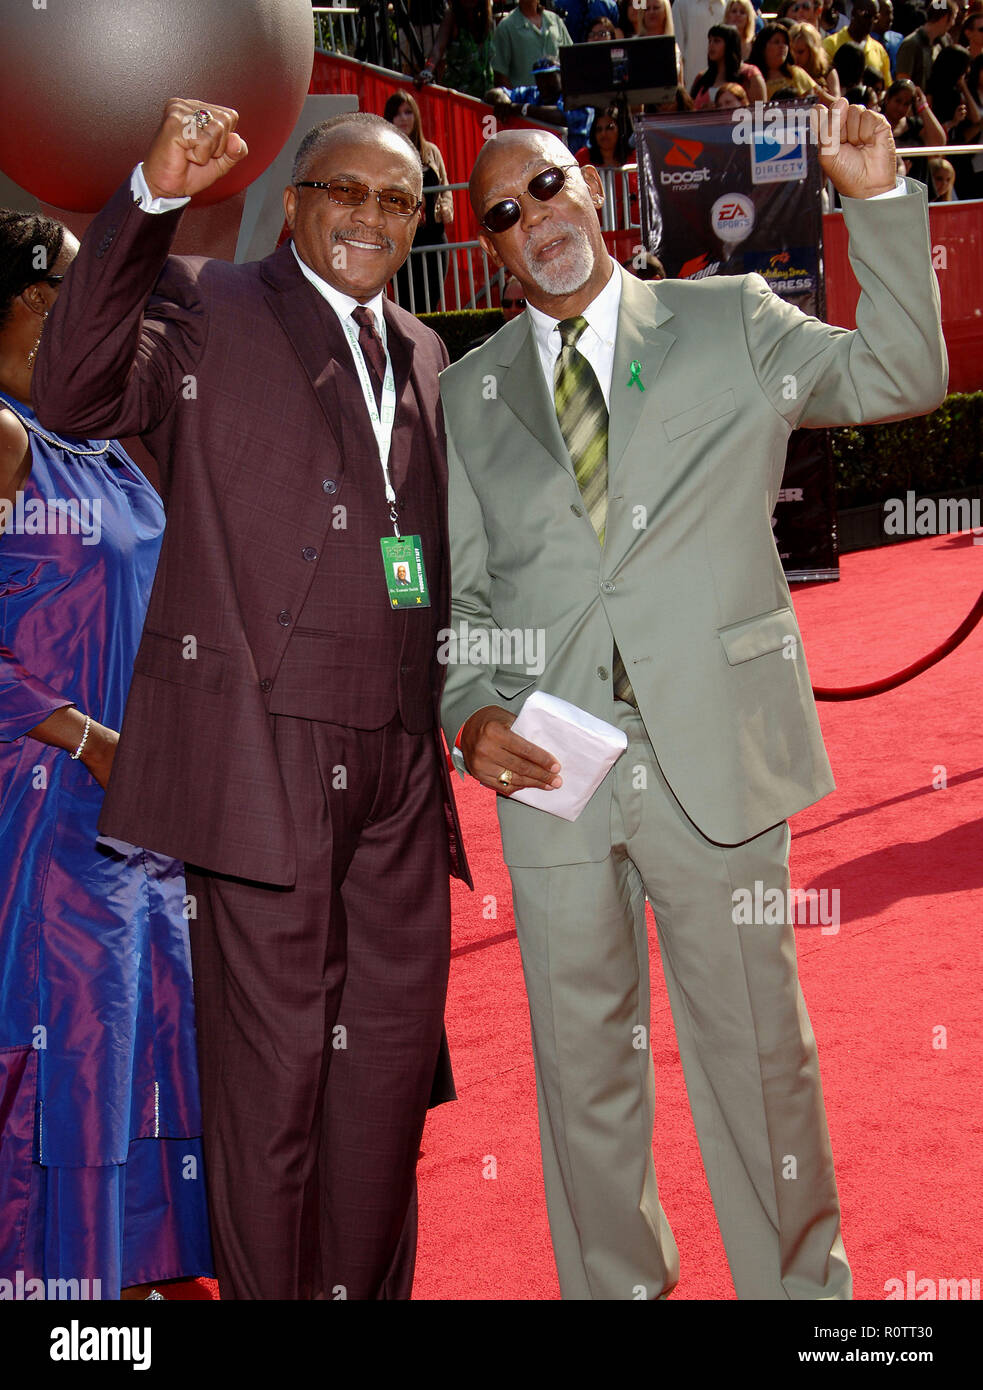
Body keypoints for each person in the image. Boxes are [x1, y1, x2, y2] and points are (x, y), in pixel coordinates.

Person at [437, 110, 946, 1300]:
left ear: (594, 192)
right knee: (580, 1073)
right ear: (489, 251)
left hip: (712, 757)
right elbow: (456, 595)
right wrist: (466, 710)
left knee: (755, 1058)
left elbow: (898, 377)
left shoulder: (728, 320)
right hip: (549, 777)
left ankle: (798, 1298)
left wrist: (874, 207)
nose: (535, 218)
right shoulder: (467, 394)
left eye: (548, 185)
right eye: (502, 213)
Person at [32, 103, 471, 1302]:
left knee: (381, 1082)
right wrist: (150, 199)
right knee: (270, 1088)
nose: (369, 218)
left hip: (398, 771)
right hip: (260, 760)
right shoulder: (205, 306)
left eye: (396, 201)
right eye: (344, 192)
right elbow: (68, 393)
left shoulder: (425, 353)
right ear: (295, 202)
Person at [0, 210, 212, 1300]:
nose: (114, 312)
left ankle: (128, 1282)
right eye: (90, 291)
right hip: (45, 815)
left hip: (138, 809)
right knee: (70, 1066)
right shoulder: (3, 434)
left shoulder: (97, 435)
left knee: (140, 1059)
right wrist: (86, 739)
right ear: (38, 303)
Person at [384, 90, 454, 312]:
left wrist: (446, 207)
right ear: (389, 120)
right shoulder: (386, 154)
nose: (403, 118)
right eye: (397, 114)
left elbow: (445, 187)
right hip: (403, 238)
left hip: (434, 237)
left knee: (431, 302)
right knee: (407, 304)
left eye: (407, 112)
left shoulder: (431, 151)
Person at [418, 0, 495, 99]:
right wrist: (428, 70)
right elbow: (437, 49)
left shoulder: (486, 18)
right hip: (458, 98)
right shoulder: (451, 17)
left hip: (485, 98)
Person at [576, 106, 639, 226]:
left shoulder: (635, 157)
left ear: (620, 129)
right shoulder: (583, 157)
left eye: (609, 128)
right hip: (597, 230)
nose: (603, 133)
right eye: (598, 129)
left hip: (632, 230)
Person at [492, 0, 574, 88]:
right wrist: (516, 99)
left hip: (559, 99)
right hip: (524, 100)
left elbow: (572, 60)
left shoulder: (555, 21)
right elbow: (500, 75)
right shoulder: (506, 27)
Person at [690, 23, 768, 104]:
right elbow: (689, 110)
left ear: (730, 44)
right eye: (710, 41)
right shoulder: (702, 78)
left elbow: (760, 111)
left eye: (717, 41)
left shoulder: (749, 75)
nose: (711, 45)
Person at [824, 0, 894, 84]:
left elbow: (886, 87)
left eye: (875, 17)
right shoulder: (830, 44)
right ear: (853, 13)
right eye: (867, 15)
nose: (871, 21)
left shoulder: (880, 51)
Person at [896, 0, 958, 85]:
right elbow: (903, 82)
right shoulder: (911, 45)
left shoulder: (944, 42)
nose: (953, 23)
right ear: (945, 17)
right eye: (953, 18)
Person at [749, 20, 820, 93]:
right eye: (776, 42)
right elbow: (757, 104)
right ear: (763, 46)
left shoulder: (795, 73)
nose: (782, 46)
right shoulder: (753, 77)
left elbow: (820, 98)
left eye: (785, 43)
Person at [672, 0, 727, 85]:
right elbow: (677, 48)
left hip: (725, 83)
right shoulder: (681, 3)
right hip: (692, 82)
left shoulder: (730, 2)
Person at [790, 19, 843, 93]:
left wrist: (812, 86)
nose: (795, 57)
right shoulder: (786, 73)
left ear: (812, 51)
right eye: (792, 52)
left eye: (800, 52)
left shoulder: (827, 72)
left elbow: (837, 101)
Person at [873, 0, 905, 67]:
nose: (891, 18)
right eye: (886, 13)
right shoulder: (866, 41)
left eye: (892, 13)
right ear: (876, 15)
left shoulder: (898, 39)